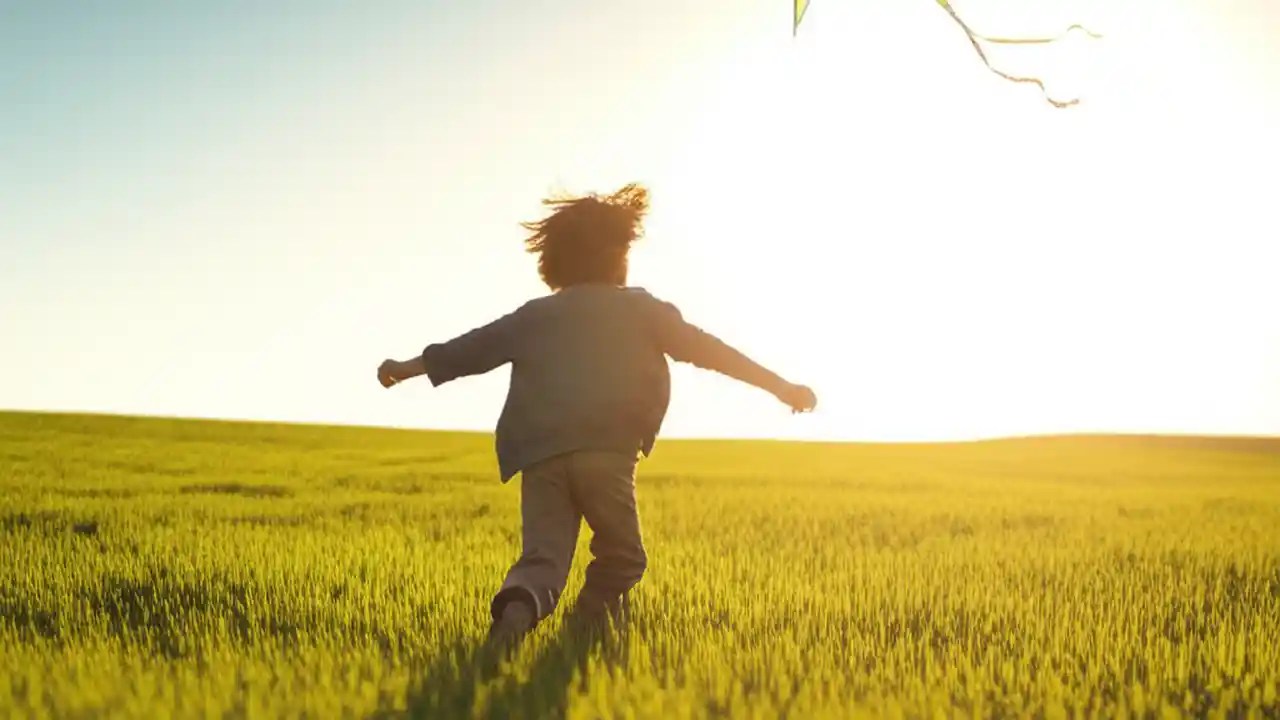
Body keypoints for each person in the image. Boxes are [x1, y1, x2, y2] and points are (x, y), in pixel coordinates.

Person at [375, 183, 816, 649]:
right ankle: (582, 629)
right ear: (619, 255)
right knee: (624, 557)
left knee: (542, 561)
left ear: (553, 262)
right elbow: (714, 352)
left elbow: (471, 350)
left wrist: (406, 368)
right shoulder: (643, 309)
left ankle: (518, 610)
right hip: (607, 452)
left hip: (540, 455)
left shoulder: (536, 315)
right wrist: (780, 387)